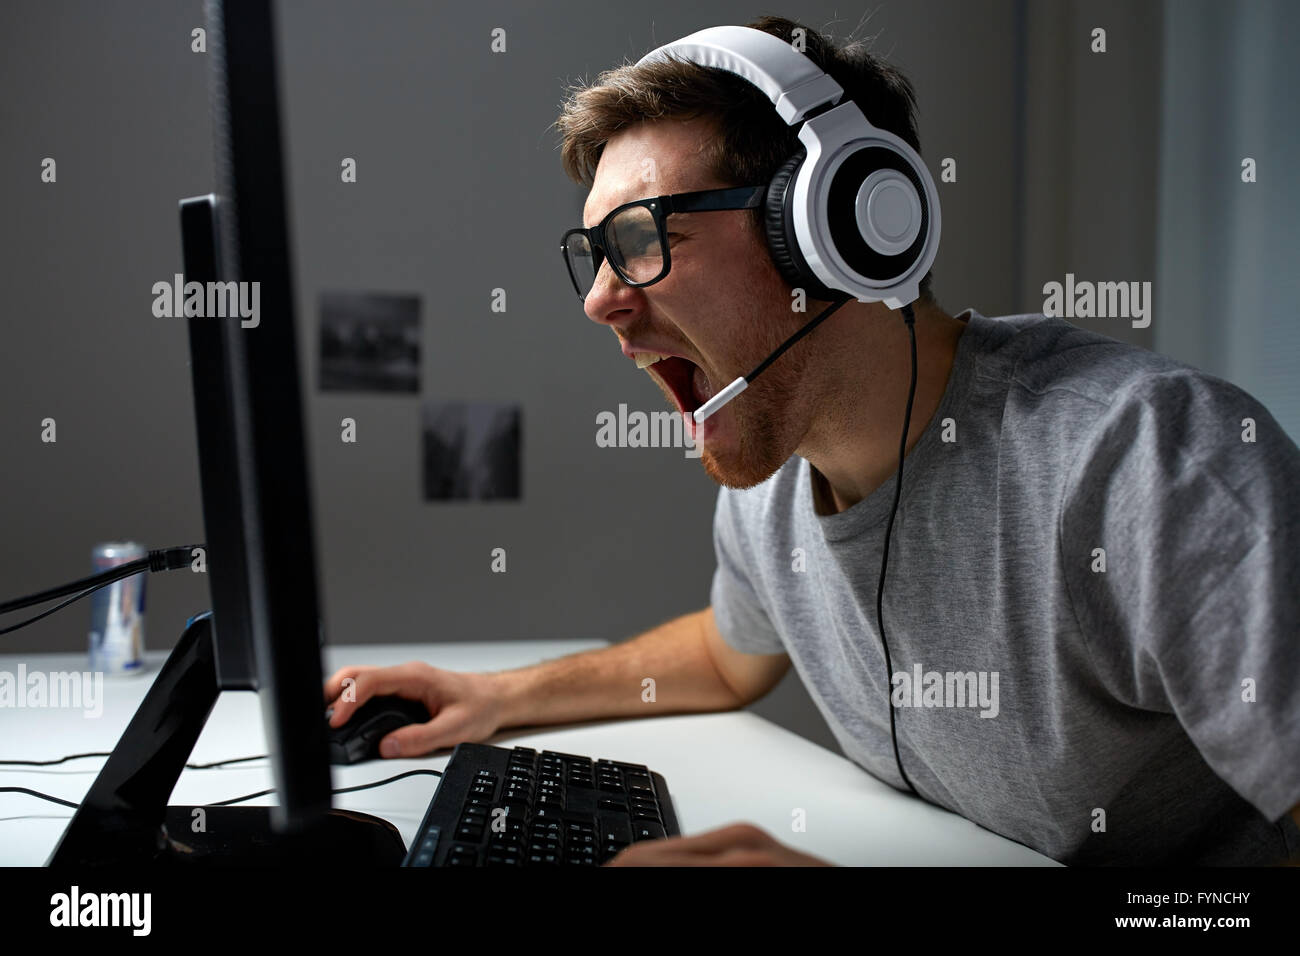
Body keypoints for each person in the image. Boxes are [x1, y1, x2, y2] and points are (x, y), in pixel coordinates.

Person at [325, 15, 1300, 866]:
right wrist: (488, 698)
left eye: (639, 238)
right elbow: (725, 653)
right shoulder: (773, 472)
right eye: (592, 254)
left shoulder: (1154, 466)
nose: (597, 299)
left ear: (839, 226)